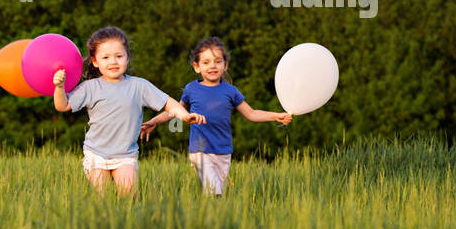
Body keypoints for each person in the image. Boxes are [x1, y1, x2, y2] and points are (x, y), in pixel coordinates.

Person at [53, 25, 202, 196]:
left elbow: (168, 102)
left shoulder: (139, 86)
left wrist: (184, 115)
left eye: (118, 56)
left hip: (125, 154)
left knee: (130, 195)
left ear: (127, 57)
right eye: (106, 57)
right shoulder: (90, 87)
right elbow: (62, 106)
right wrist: (59, 87)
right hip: (96, 154)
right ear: (95, 61)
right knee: (105, 198)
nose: (113, 62)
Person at [141, 37, 292, 195]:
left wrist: (275, 116)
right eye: (206, 62)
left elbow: (251, 113)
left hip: (223, 152)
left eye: (217, 61)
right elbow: (175, 110)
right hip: (200, 151)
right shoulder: (191, 89)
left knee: (217, 195)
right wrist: (155, 121)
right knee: (213, 192)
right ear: (196, 67)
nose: (212, 66)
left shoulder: (231, 91)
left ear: (225, 65)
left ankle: (212, 218)